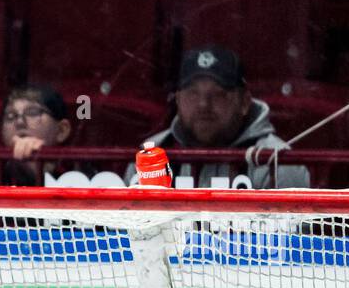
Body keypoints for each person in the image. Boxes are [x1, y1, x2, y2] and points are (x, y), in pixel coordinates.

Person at [131, 46, 310, 189]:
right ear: (178, 100)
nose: (203, 104)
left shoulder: (276, 161)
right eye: (193, 93)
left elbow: (290, 234)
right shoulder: (151, 154)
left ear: (244, 102)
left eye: (219, 94)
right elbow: (130, 231)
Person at [0, 84, 72, 187]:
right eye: (10, 115)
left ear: (62, 130)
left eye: (33, 113)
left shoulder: (77, 170)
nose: (20, 122)